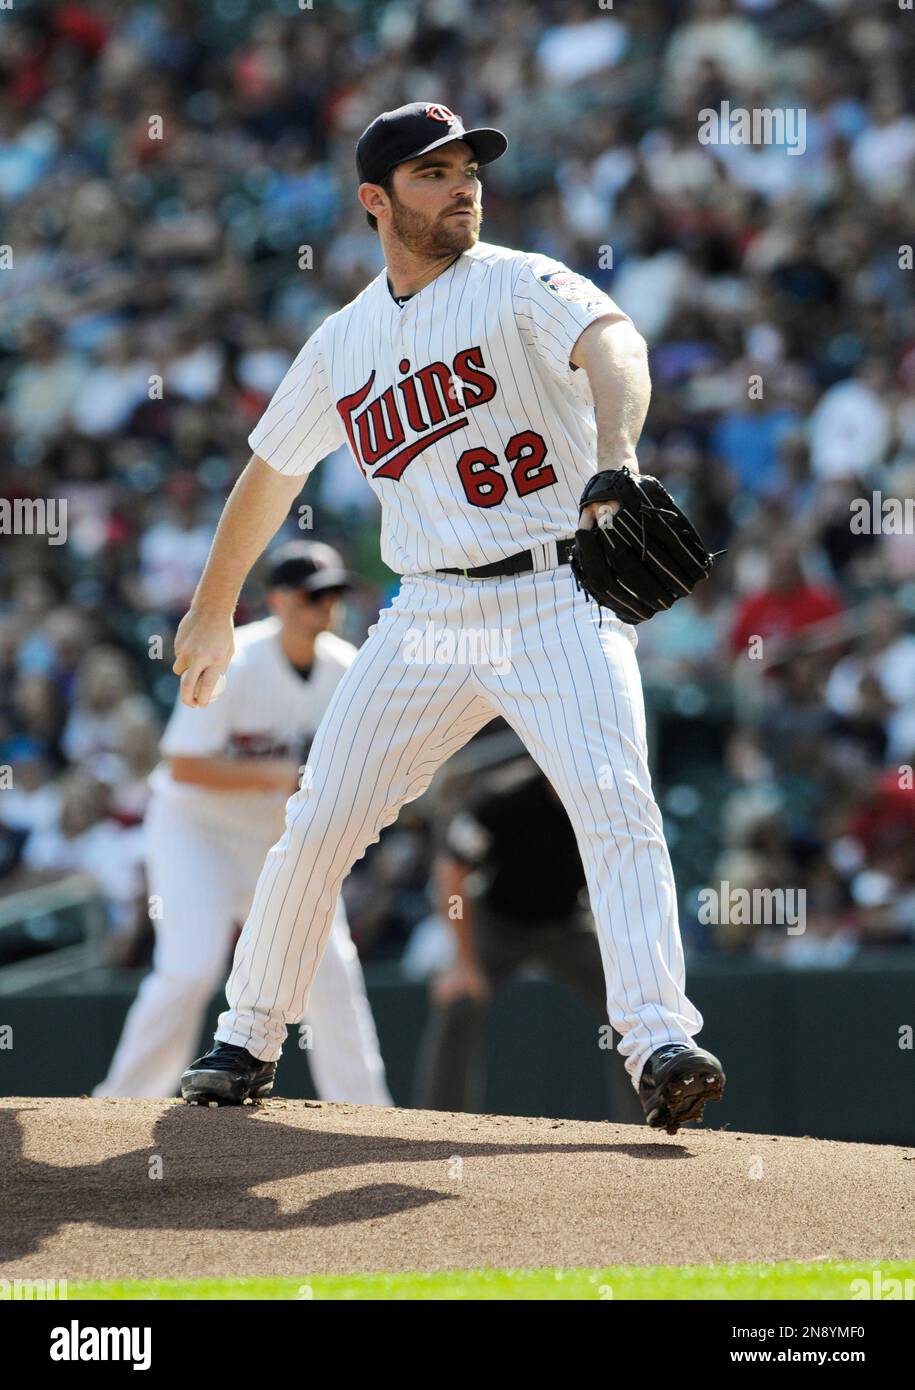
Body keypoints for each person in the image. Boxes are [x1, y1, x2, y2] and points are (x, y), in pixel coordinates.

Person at [175, 102, 725, 1133]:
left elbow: (617, 345)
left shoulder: (518, 283)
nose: (462, 183)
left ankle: (658, 1040)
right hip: (428, 608)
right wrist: (213, 608)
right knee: (322, 819)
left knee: (613, 798)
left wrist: (618, 460)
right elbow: (268, 469)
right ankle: (248, 1039)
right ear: (375, 202)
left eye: (467, 165)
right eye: (432, 171)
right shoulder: (346, 341)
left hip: (557, 589)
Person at [94, 541, 392, 1105]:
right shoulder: (238, 660)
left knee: (333, 972)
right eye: (312, 595)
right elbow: (181, 763)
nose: (326, 605)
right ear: (279, 600)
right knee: (188, 970)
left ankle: (366, 1111)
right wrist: (279, 775)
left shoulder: (345, 668)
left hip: (278, 845)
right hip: (195, 833)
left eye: (335, 594)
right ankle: (121, 1101)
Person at [414, 754, 644, 1125]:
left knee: (633, 1007)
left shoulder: (607, 805)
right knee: (459, 999)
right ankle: (439, 1124)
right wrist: (462, 959)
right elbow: (452, 871)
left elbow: (629, 878)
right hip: (499, 926)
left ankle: (651, 1125)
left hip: (570, 925)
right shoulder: (503, 796)